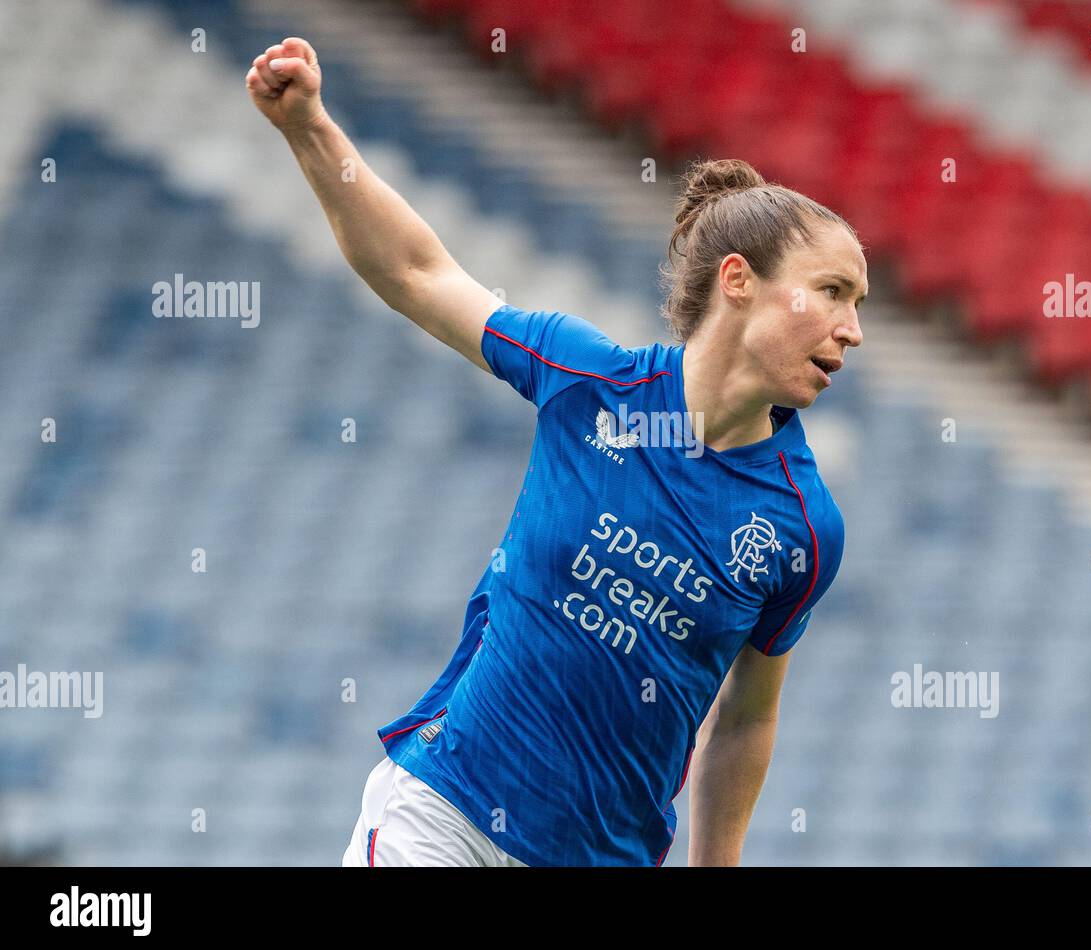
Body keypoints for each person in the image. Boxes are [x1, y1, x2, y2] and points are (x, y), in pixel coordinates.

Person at [246, 36, 865, 867]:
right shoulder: (586, 380)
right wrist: (309, 127)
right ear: (738, 279)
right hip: (445, 811)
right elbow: (419, 272)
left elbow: (748, 716)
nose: (852, 329)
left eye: (858, 304)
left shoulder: (803, 526)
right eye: (832, 292)